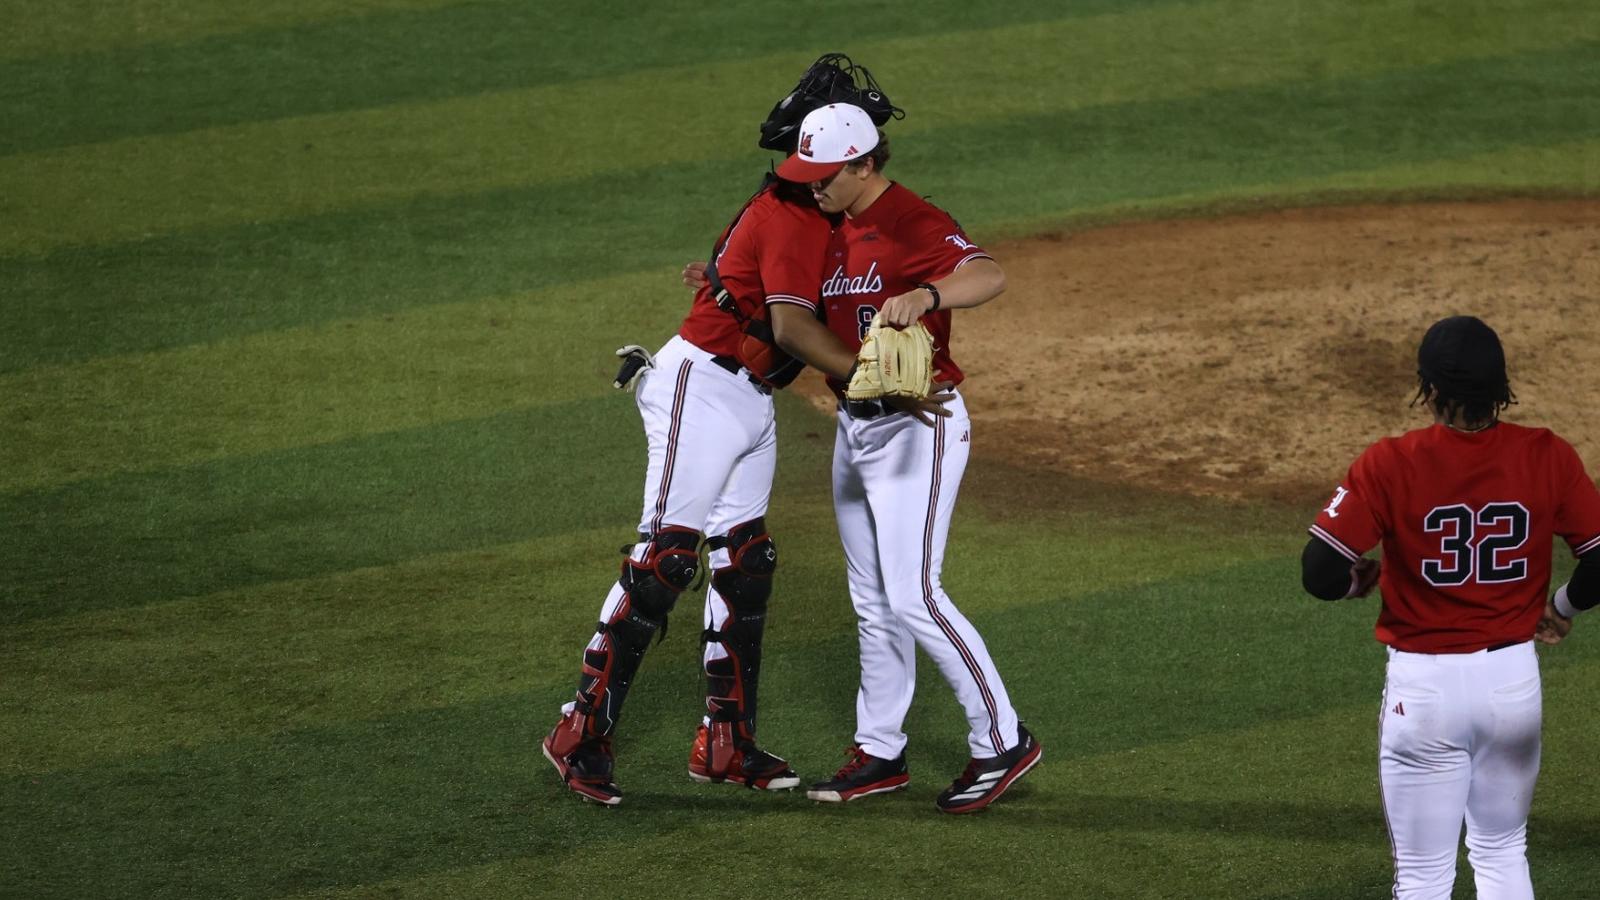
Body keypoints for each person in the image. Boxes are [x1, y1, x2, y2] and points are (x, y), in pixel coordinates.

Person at [541, 59, 901, 806]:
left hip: (751, 399)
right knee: (665, 561)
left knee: (745, 561)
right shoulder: (791, 214)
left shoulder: (818, 214)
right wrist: (868, 376)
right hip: (699, 388)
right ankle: (578, 734)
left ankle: (726, 743)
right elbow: (792, 327)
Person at [772, 102, 1042, 814]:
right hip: (852, 426)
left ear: (866, 164)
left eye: (828, 175)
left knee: (914, 594)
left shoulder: (912, 220)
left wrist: (928, 293)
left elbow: (988, 274)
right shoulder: (824, 223)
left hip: (919, 426)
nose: (814, 186)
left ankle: (1002, 741)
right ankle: (881, 751)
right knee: (872, 600)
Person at [1300, 315, 1600, 898]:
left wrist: (1354, 585)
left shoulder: (1390, 462)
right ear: (1500, 385)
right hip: (1512, 685)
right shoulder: (1548, 455)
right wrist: (1560, 606)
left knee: (1423, 876)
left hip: (1425, 693)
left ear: (1431, 389)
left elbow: (1319, 571)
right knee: (1502, 851)